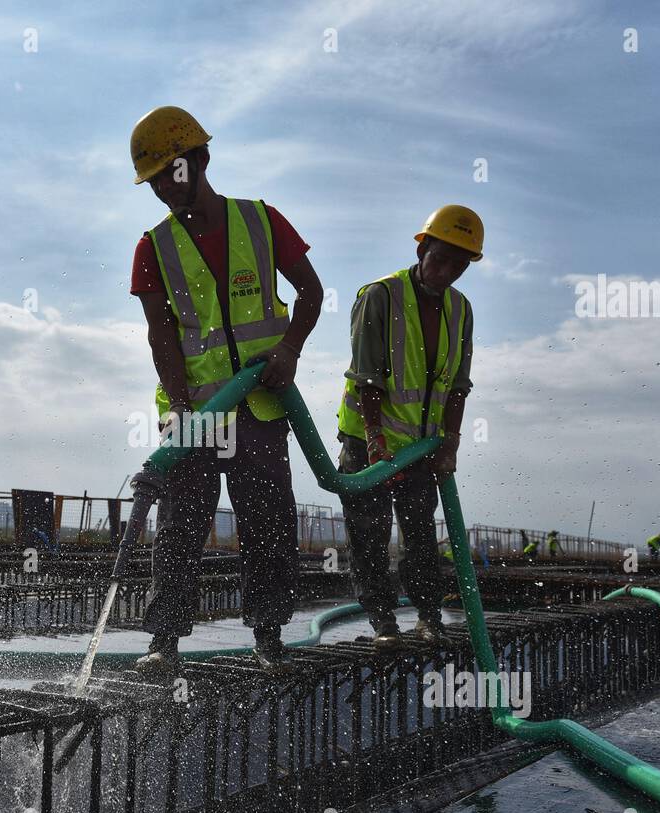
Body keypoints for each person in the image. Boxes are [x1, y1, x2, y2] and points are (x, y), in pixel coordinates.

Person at [128, 107, 324, 677]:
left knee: (268, 521)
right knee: (181, 525)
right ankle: (164, 642)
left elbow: (311, 291)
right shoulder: (153, 247)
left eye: (173, 172)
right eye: (156, 180)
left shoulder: (261, 222)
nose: (166, 187)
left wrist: (288, 352)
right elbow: (160, 334)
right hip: (192, 413)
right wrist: (184, 406)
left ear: (202, 160)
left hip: (261, 406)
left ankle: (268, 637)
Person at [336, 205, 482, 649]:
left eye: (459, 265)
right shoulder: (381, 297)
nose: (447, 271)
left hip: (420, 448)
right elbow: (367, 379)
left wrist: (450, 444)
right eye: (440, 259)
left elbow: (458, 386)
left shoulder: (461, 310)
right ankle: (383, 622)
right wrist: (378, 442)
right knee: (369, 533)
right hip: (367, 440)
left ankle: (428, 616)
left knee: (420, 534)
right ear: (422, 248)